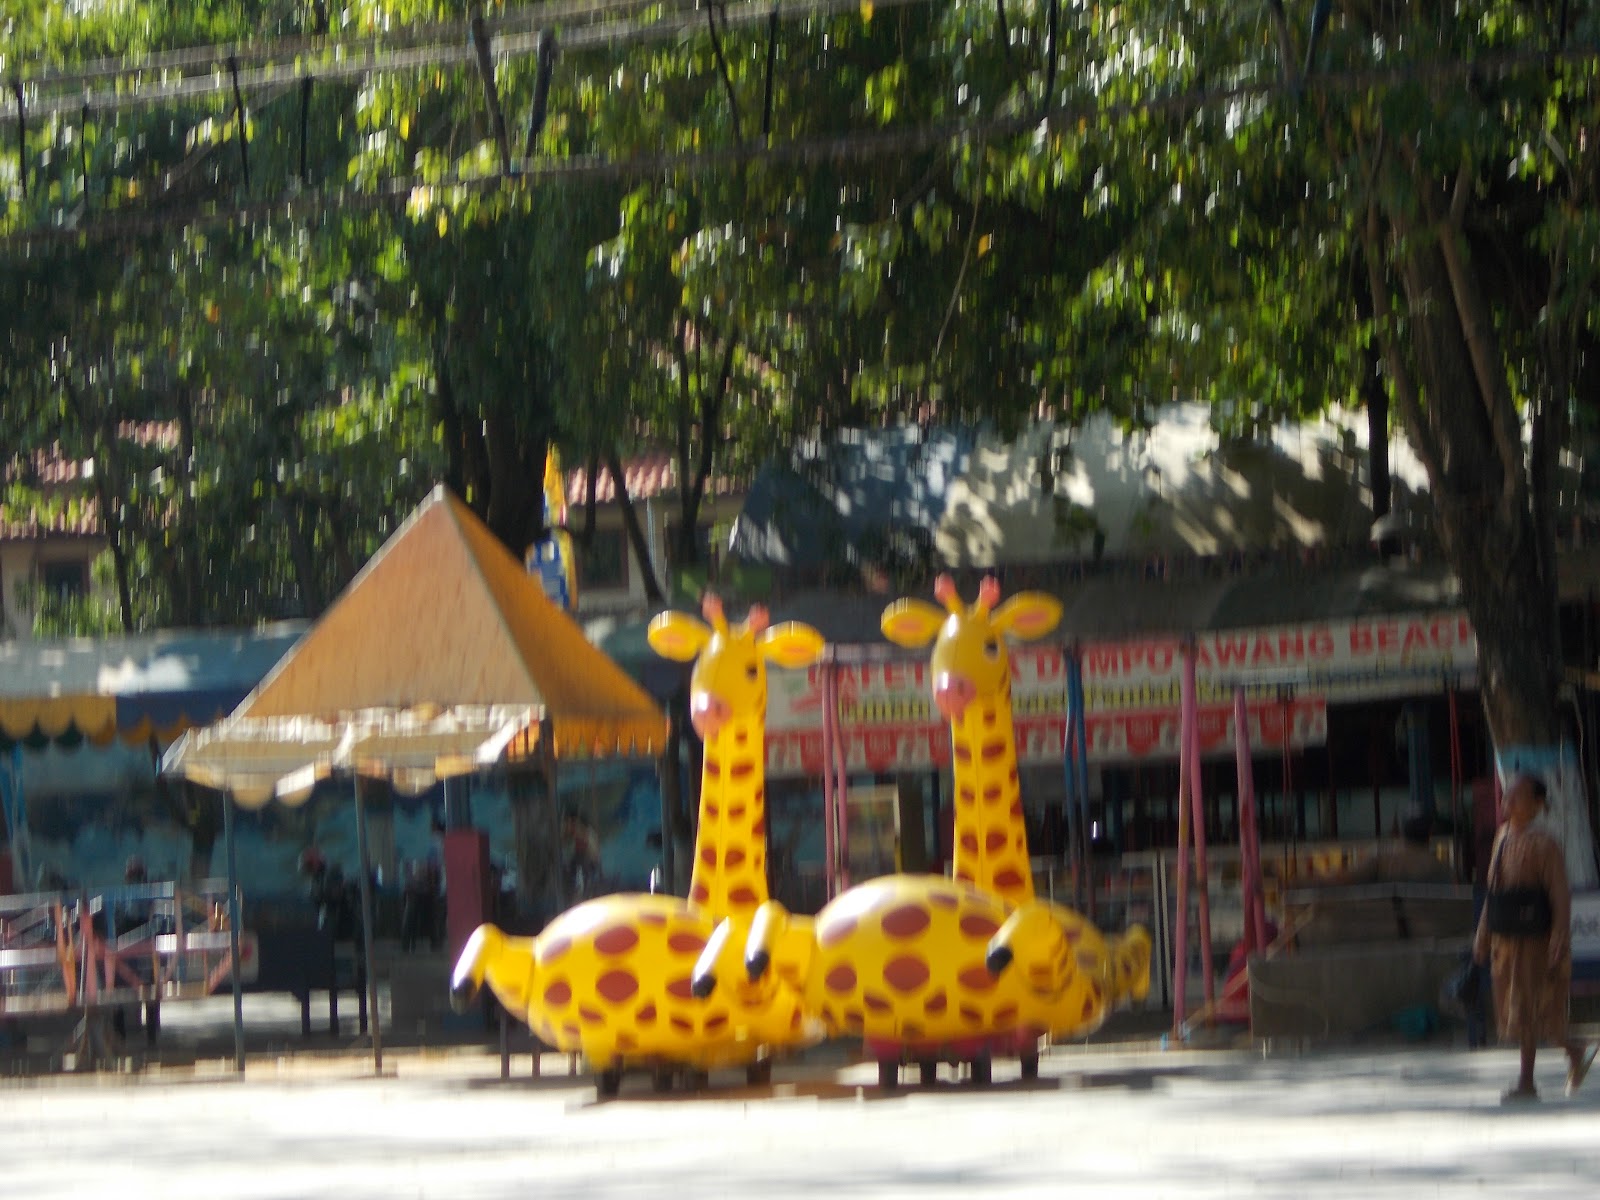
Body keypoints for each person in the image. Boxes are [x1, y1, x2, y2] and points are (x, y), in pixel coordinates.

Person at [1472, 773, 1597, 1103]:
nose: (1507, 803)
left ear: (1538, 804)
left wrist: (1559, 936)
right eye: (1506, 797)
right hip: (1507, 939)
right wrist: (1483, 933)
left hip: (1535, 939)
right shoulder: (1501, 838)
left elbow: (1559, 894)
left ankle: (1527, 1080)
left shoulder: (1545, 844)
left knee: (1533, 1006)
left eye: (1516, 797)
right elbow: (1494, 891)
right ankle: (1572, 1049)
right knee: (1518, 1008)